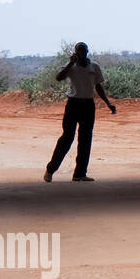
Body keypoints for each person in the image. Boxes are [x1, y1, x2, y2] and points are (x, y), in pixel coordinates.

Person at [44, 42, 116, 183]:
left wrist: (108, 103)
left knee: (85, 140)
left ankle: (79, 174)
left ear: (87, 51)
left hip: (88, 105)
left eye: (83, 50)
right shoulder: (71, 67)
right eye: (79, 50)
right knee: (67, 138)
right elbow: (59, 77)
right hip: (73, 105)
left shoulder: (94, 67)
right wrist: (70, 64)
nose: (81, 53)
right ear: (75, 52)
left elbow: (98, 86)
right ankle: (50, 169)